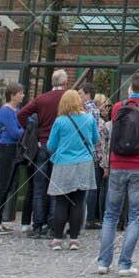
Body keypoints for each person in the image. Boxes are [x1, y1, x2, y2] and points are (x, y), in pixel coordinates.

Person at [97, 72, 139, 277]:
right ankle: (125, 264)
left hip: (117, 164)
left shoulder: (118, 107)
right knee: (135, 216)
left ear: (130, 88)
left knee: (110, 215)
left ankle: (103, 262)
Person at [17, 69, 70, 237]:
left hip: (42, 146)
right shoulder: (69, 99)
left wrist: (32, 130)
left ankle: (37, 226)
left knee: (39, 189)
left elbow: (22, 114)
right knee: (56, 188)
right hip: (61, 148)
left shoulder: (42, 98)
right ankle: (53, 226)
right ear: (65, 82)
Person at [45, 89, 99, 251]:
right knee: (78, 202)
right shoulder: (89, 119)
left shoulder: (60, 121)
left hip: (63, 164)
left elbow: (51, 146)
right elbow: (95, 139)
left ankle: (57, 239)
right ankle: (74, 239)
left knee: (61, 203)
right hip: (84, 163)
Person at [0, 83, 24, 232]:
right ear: (12, 95)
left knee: (7, 186)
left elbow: (18, 128)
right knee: (2, 185)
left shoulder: (16, 110)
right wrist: (25, 129)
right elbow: (15, 133)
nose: (22, 95)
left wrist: (22, 129)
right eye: (20, 93)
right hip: (6, 148)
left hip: (13, 149)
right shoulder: (6, 111)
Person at [91, 95, 112, 227]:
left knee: (94, 189)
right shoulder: (103, 124)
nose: (107, 108)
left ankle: (91, 217)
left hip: (91, 157)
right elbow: (103, 146)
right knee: (99, 189)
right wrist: (105, 164)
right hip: (99, 159)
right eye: (106, 105)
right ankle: (96, 217)